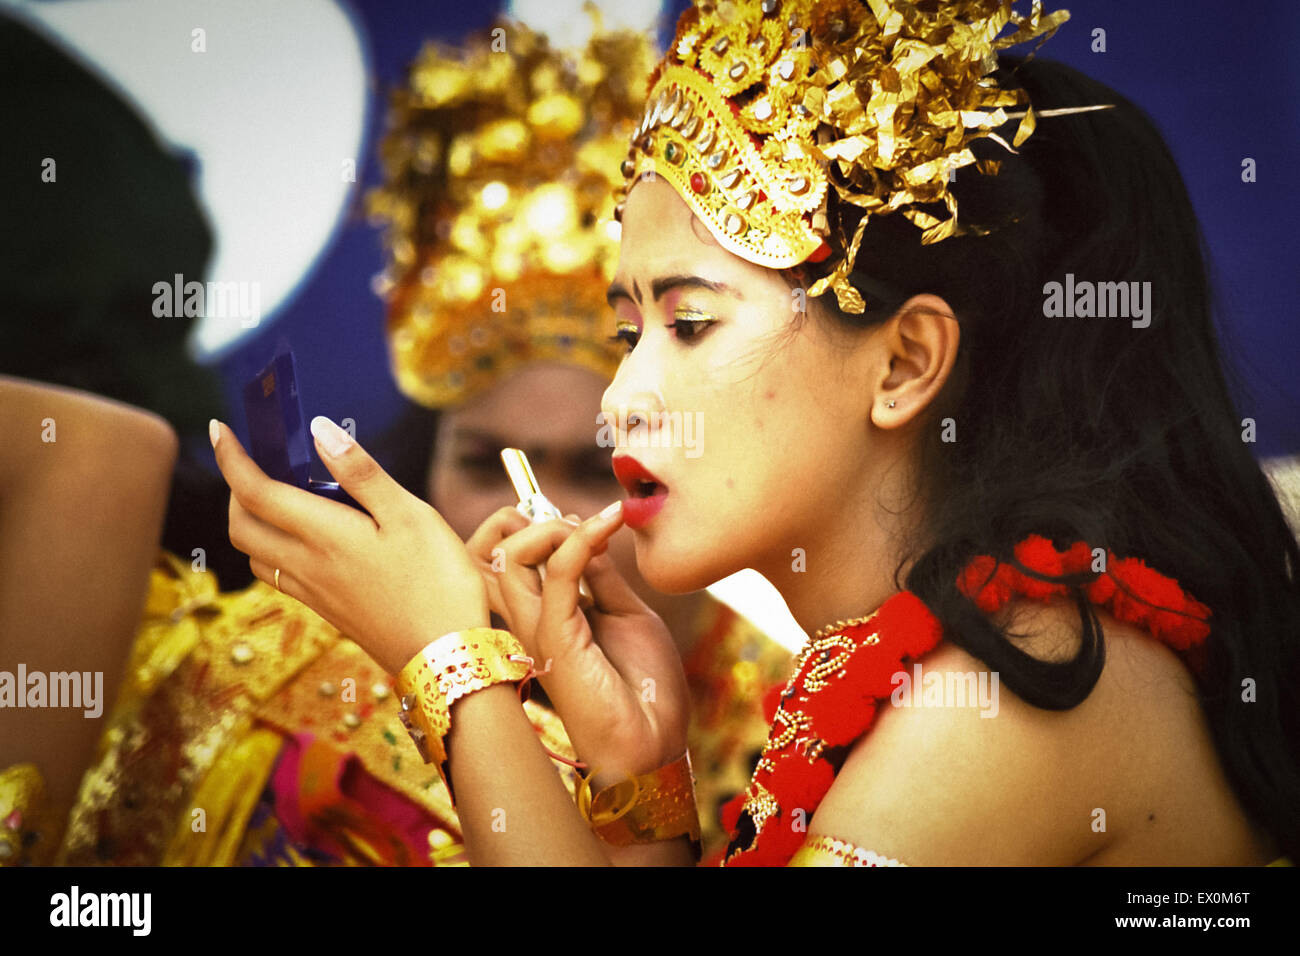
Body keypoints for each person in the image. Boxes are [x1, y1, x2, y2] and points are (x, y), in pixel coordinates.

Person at [212, 0, 1300, 866]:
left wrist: (448, 662)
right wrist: (645, 801)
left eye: (688, 323)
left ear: (905, 362)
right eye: (627, 330)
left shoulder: (1024, 680)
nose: (620, 399)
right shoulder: (930, 663)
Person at [42, 18, 785, 866]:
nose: (533, 515)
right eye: (485, 461)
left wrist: (450, 663)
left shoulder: (811, 739)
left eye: (594, 466)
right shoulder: (278, 698)